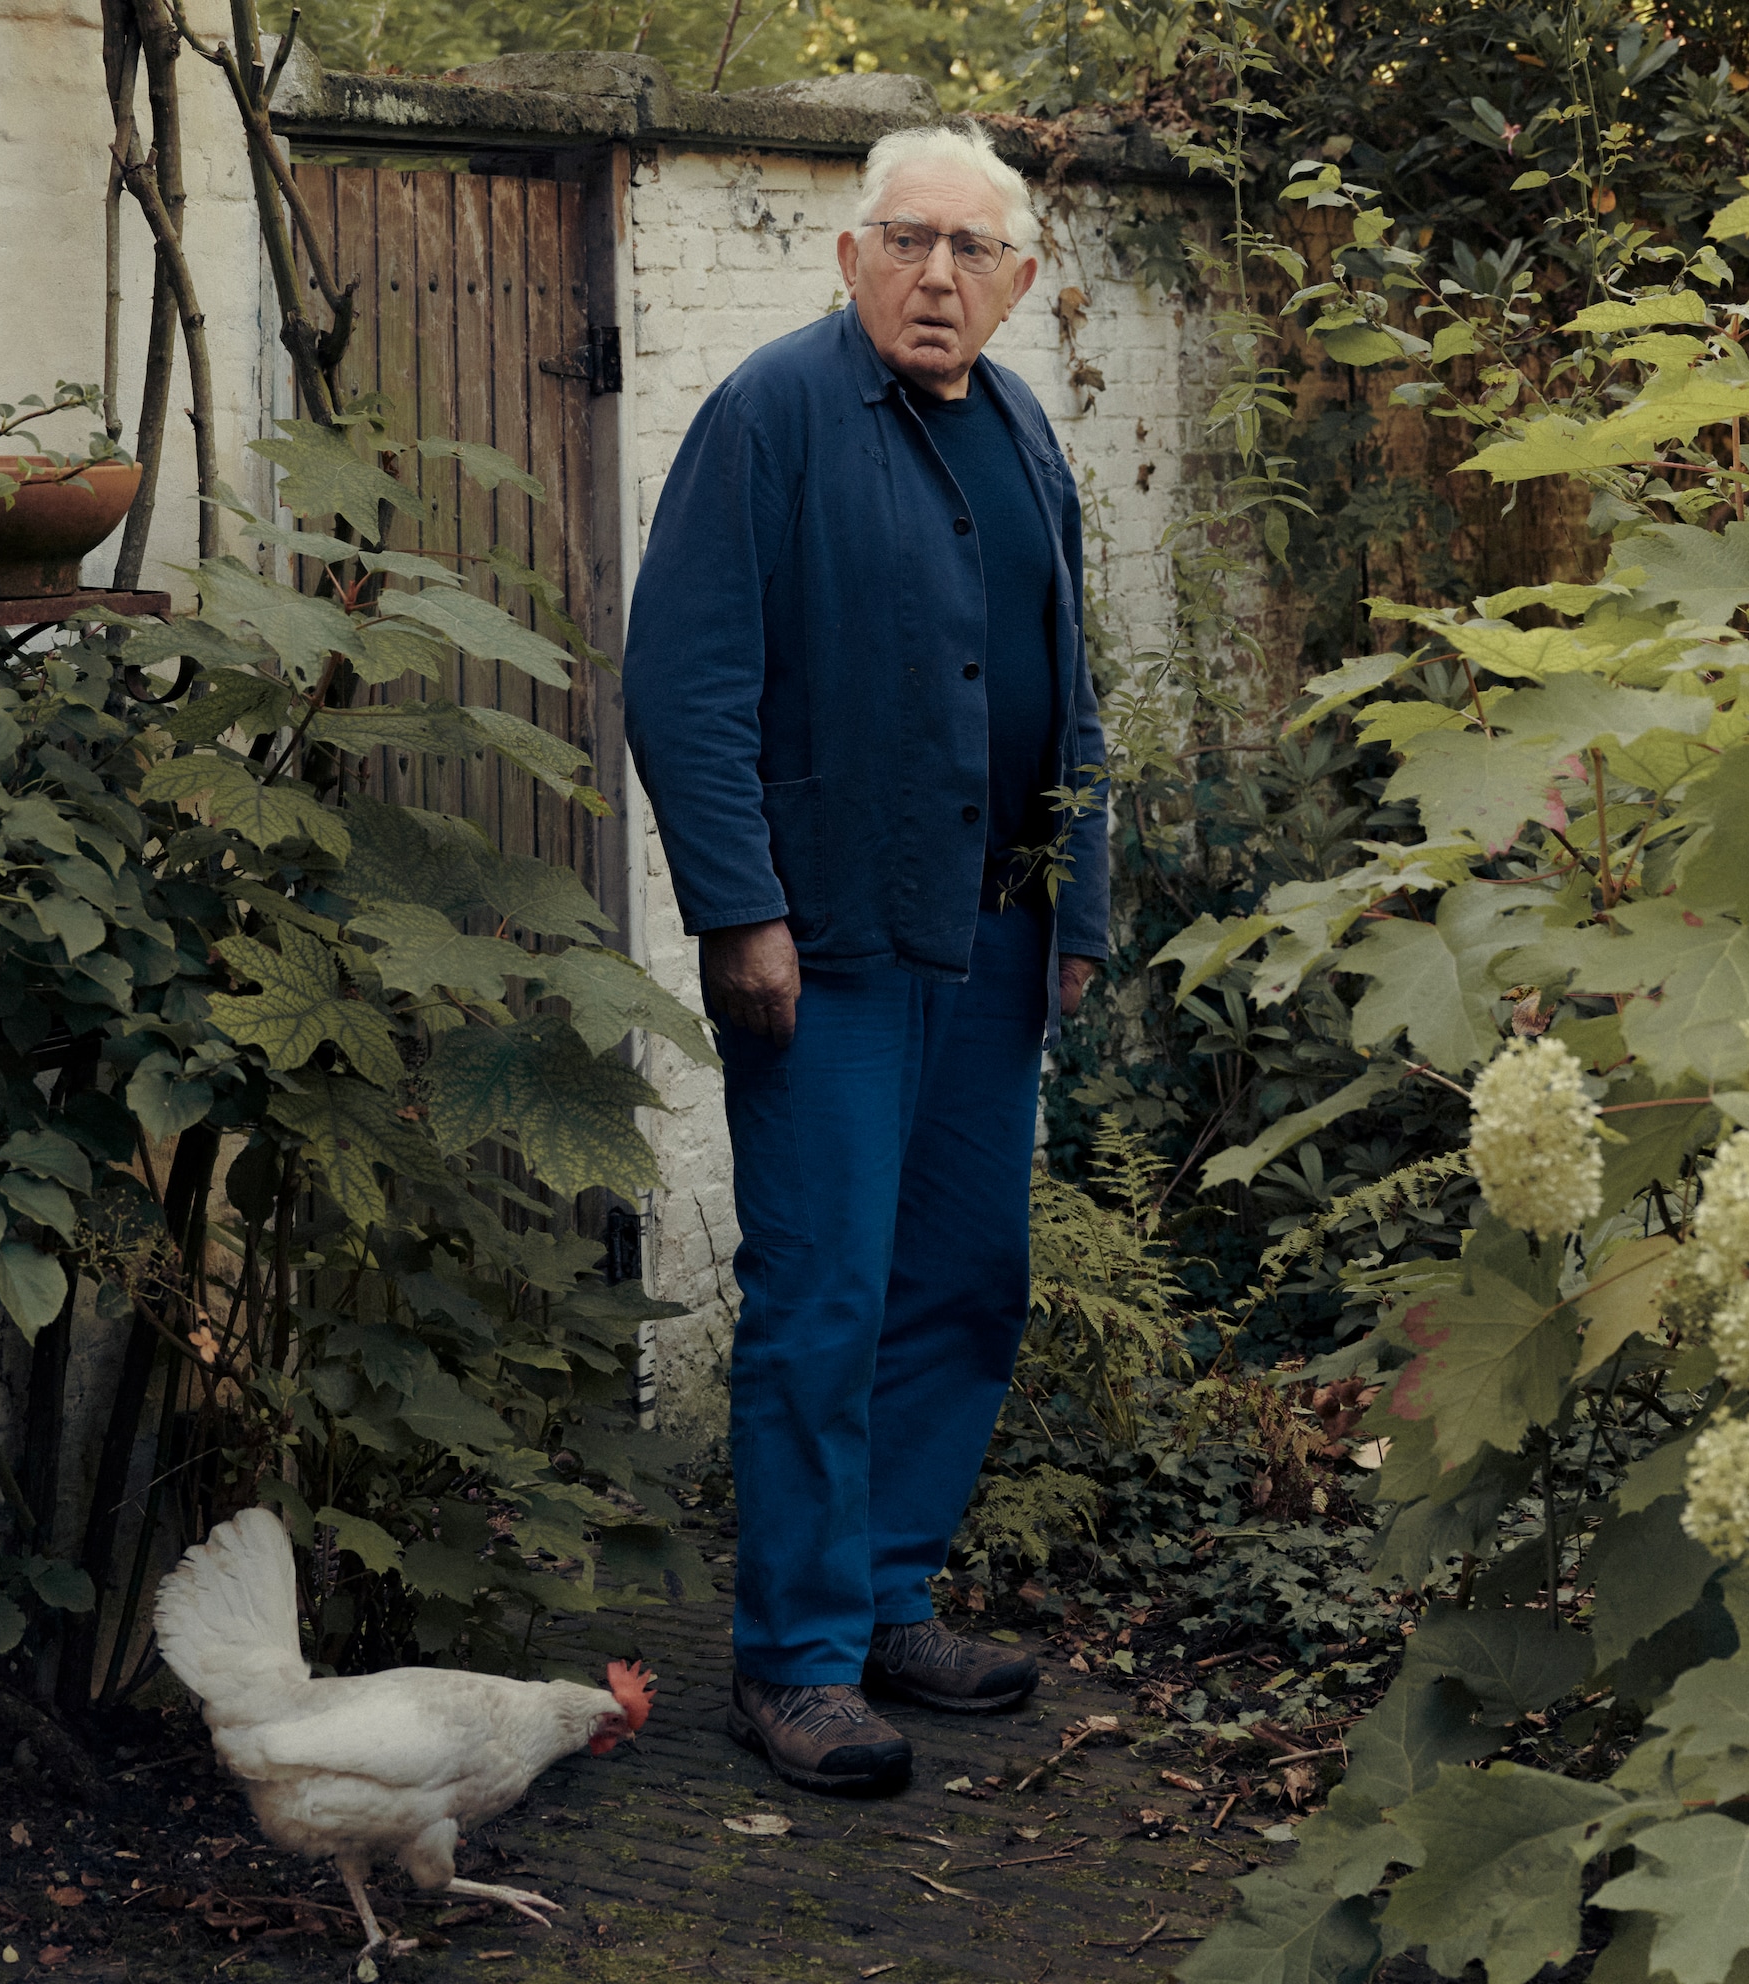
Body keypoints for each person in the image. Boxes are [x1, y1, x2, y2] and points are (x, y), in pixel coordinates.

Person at [621, 120, 1108, 1797]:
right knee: (822, 1301)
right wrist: (737, 908)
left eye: (973, 251)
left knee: (964, 1284)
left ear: (1020, 284)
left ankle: (895, 1600)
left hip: (991, 938)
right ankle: (799, 1666)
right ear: (850, 257)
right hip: (828, 943)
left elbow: (1073, 686)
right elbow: (681, 681)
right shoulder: (772, 414)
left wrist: (1083, 912)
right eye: (908, 240)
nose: (938, 274)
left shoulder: (1025, 430)